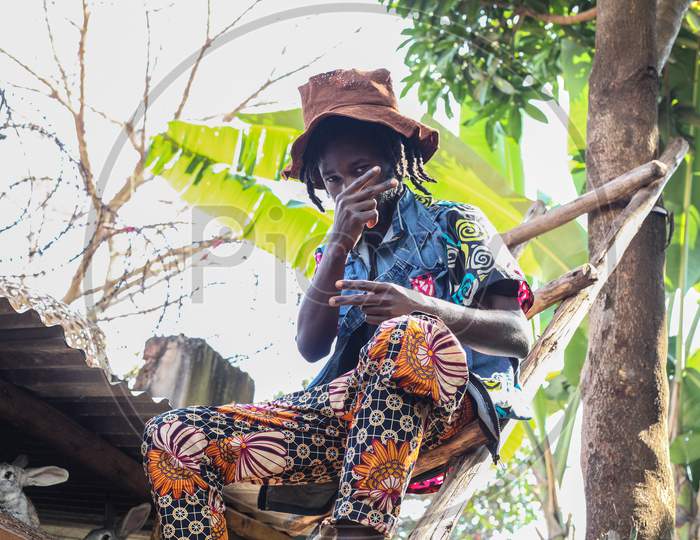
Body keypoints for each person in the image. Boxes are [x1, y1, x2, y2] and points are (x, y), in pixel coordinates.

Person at [142, 67, 533, 540]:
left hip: (450, 407)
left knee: (407, 337)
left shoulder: (456, 223)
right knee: (172, 436)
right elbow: (310, 345)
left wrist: (421, 308)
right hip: (345, 418)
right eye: (332, 179)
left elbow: (518, 337)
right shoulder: (335, 255)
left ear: (394, 160)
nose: (346, 187)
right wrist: (339, 240)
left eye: (359, 169)